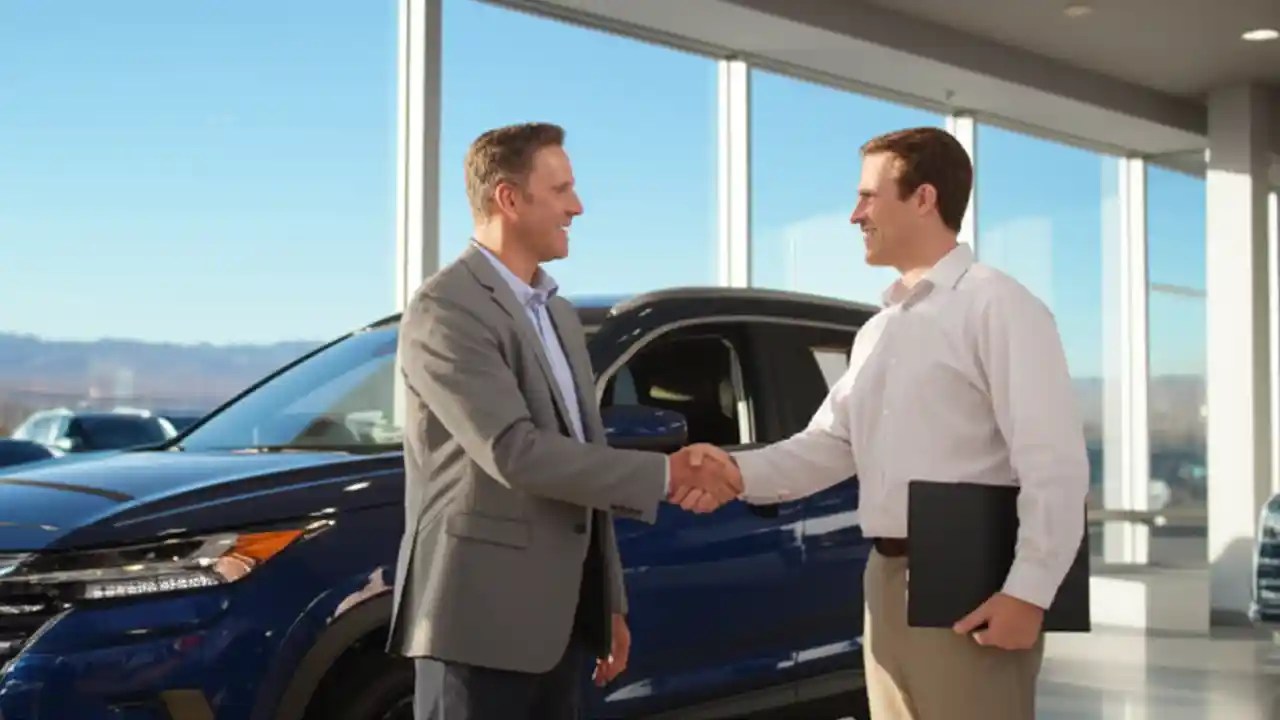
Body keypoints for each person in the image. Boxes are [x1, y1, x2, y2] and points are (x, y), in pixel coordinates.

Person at [675, 126, 1089, 720]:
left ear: (924, 198)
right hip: (886, 578)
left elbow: (1053, 463)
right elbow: (832, 442)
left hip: (974, 580)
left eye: (869, 196)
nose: (854, 215)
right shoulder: (879, 330)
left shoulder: (1001, 306)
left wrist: (1029, 590)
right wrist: (734, 471)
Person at [387, 122, 741, 720]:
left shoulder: (556, 312)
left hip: (560, 620)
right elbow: (514, 451)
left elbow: (583, 446)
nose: (577, 206)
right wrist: (664, 473)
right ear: (508, 198)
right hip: (480, 623)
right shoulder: (447, 307)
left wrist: (608, 601)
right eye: (561, 190)